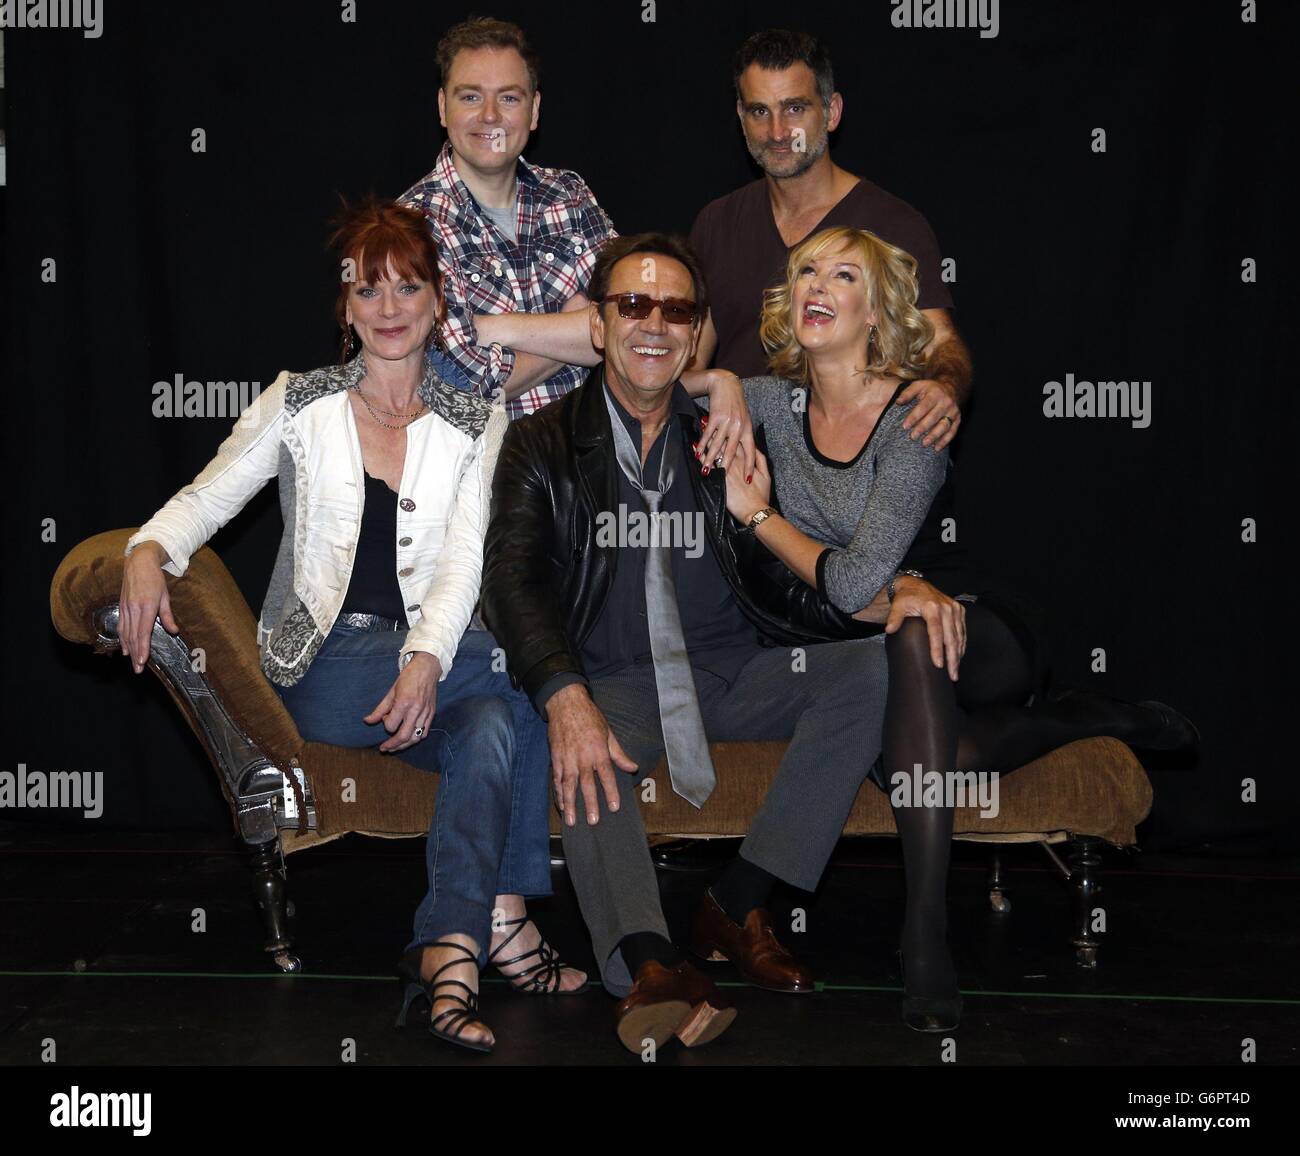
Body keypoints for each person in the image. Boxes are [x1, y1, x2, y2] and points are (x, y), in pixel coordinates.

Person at [702, 224, 1197, 1031]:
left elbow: (858, 580)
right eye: (806, 273)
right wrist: (722, 379)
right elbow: (650, 370)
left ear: (876, 312)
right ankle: (1077, 719)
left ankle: (924, 929)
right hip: (879, 632)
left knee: (911, 627)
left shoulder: (915, 415)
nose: (818, 286)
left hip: (975, 623)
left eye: (844, 277)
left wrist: (758, 515)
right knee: (920, 757)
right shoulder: (772, 402)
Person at [117, 199, 584, 1054]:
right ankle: (510, 918)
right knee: (526, 663)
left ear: (439, 302)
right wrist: (148, 549)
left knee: (491, 723)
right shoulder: (299, 404)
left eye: (409, 288)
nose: (390, 307)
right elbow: (210, 499)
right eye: (368, 291)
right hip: (323, 664)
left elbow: (460, 570)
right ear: (345, 308)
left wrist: (426, 659)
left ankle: (449, 954)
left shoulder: (478, 424)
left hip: (434, 671)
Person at [479, 232, 962, 1054]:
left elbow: (802, 546)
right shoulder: (543, 443)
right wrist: (566, 695)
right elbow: (511, 581)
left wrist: (895, 591)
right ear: (598, 326)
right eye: (633, 304)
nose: (654, 324)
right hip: (622, 680)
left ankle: (738, 899)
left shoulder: (729, 432)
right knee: (590, 755)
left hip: (739, 668)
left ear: (696, 330)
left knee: (872, 669)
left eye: (676, 309)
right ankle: (648, 964)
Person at [689, 27, 972, 454]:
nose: (778, 131)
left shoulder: (893, 223)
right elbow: (689, 360)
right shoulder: (716, 221)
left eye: (795, 108)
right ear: (740, 116)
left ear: (832, 111)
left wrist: (945, 387)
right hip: (739, 471)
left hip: (852, 478)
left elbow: (941, 343)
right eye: (759, 111)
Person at [399, 16, 618, 418]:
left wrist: (500, 327)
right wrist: (577, 331)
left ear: (534, 111)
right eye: (470, 97)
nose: (489, 116)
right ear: (442, 107)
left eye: (509, 98)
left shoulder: (569, 194)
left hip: (596, 465)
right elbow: (461, 384)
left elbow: (628, 319)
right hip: (481, 474)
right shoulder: (409, 226)